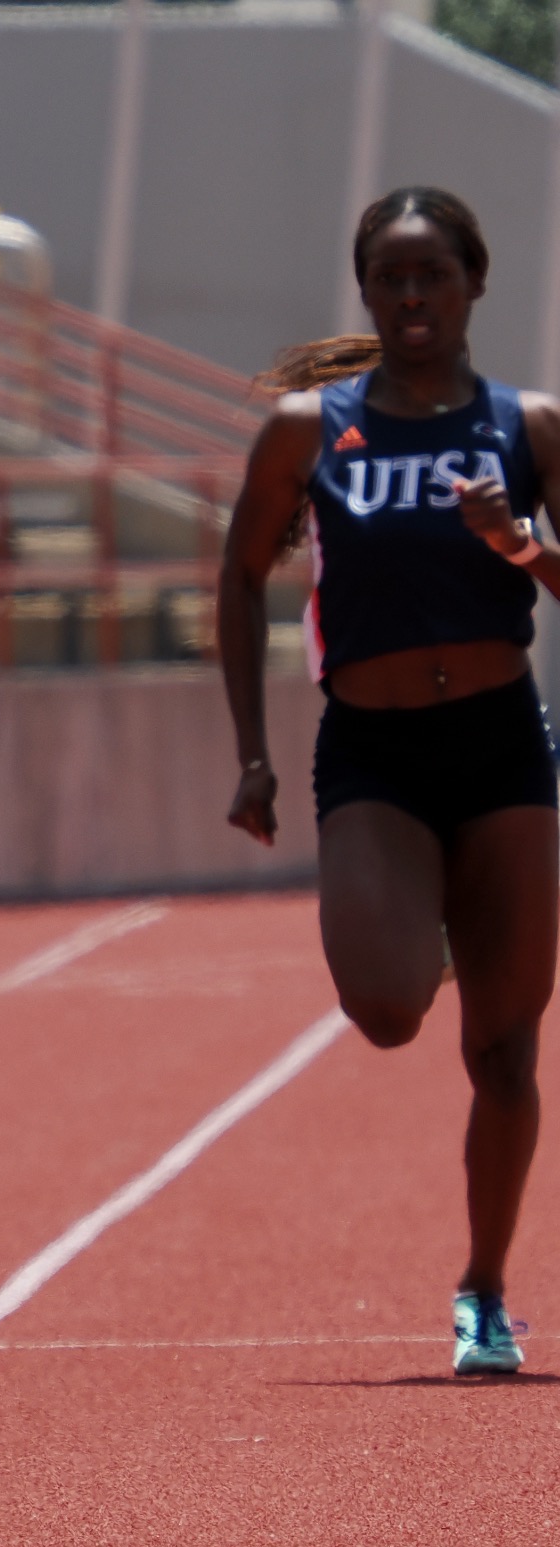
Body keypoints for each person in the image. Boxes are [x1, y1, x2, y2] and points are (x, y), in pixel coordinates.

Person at [219, 186, 560, 1376]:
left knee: (506, 1055)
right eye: (389, 278)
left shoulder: (530, 426)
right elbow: (235, 577)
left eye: (432, 276)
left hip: (502, 747)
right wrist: (251, 754)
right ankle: (445, 929)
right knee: (382, 1010)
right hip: (371, 753)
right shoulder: (310, 432)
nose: (411, 297)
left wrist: (515, 541)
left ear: (474, 285)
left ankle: (481, 1291)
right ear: (365, 292)